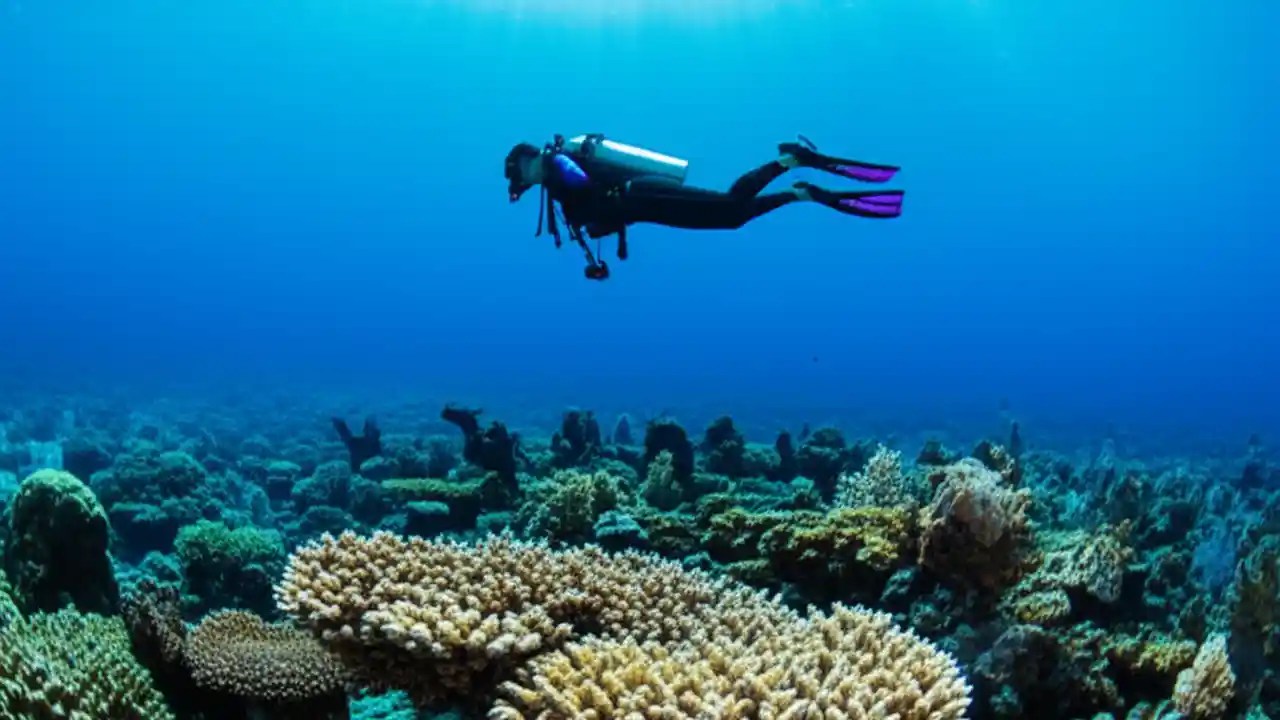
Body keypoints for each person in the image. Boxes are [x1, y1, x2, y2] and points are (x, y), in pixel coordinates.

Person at [503, 133, 905, 280]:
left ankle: (789, 161)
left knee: (730, 202)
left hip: (642, 195)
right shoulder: (553, 178)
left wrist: (583, 207)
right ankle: (800, 192)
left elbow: (585, 187)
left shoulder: (557, 165)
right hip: (643, 206)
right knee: (732, 220)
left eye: (517, 172)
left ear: (526, 159)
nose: (520, 181)